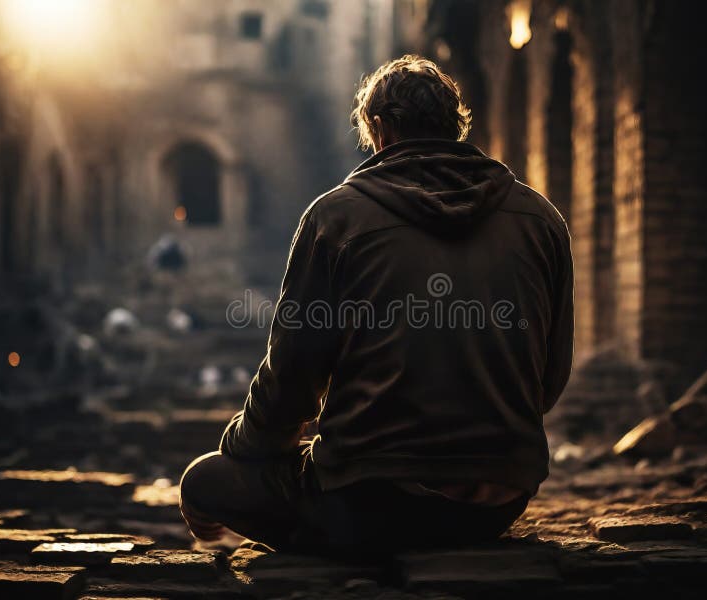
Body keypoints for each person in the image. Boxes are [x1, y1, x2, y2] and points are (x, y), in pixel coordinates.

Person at [180, 55, 573, 554]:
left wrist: (243, 453)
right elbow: (551, 375)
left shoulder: (335, 217)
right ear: (455, 128)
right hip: (499, 500)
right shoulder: (540, 218)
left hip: (372, 503)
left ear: (381, 129)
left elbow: (293, 380)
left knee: (204, 482)